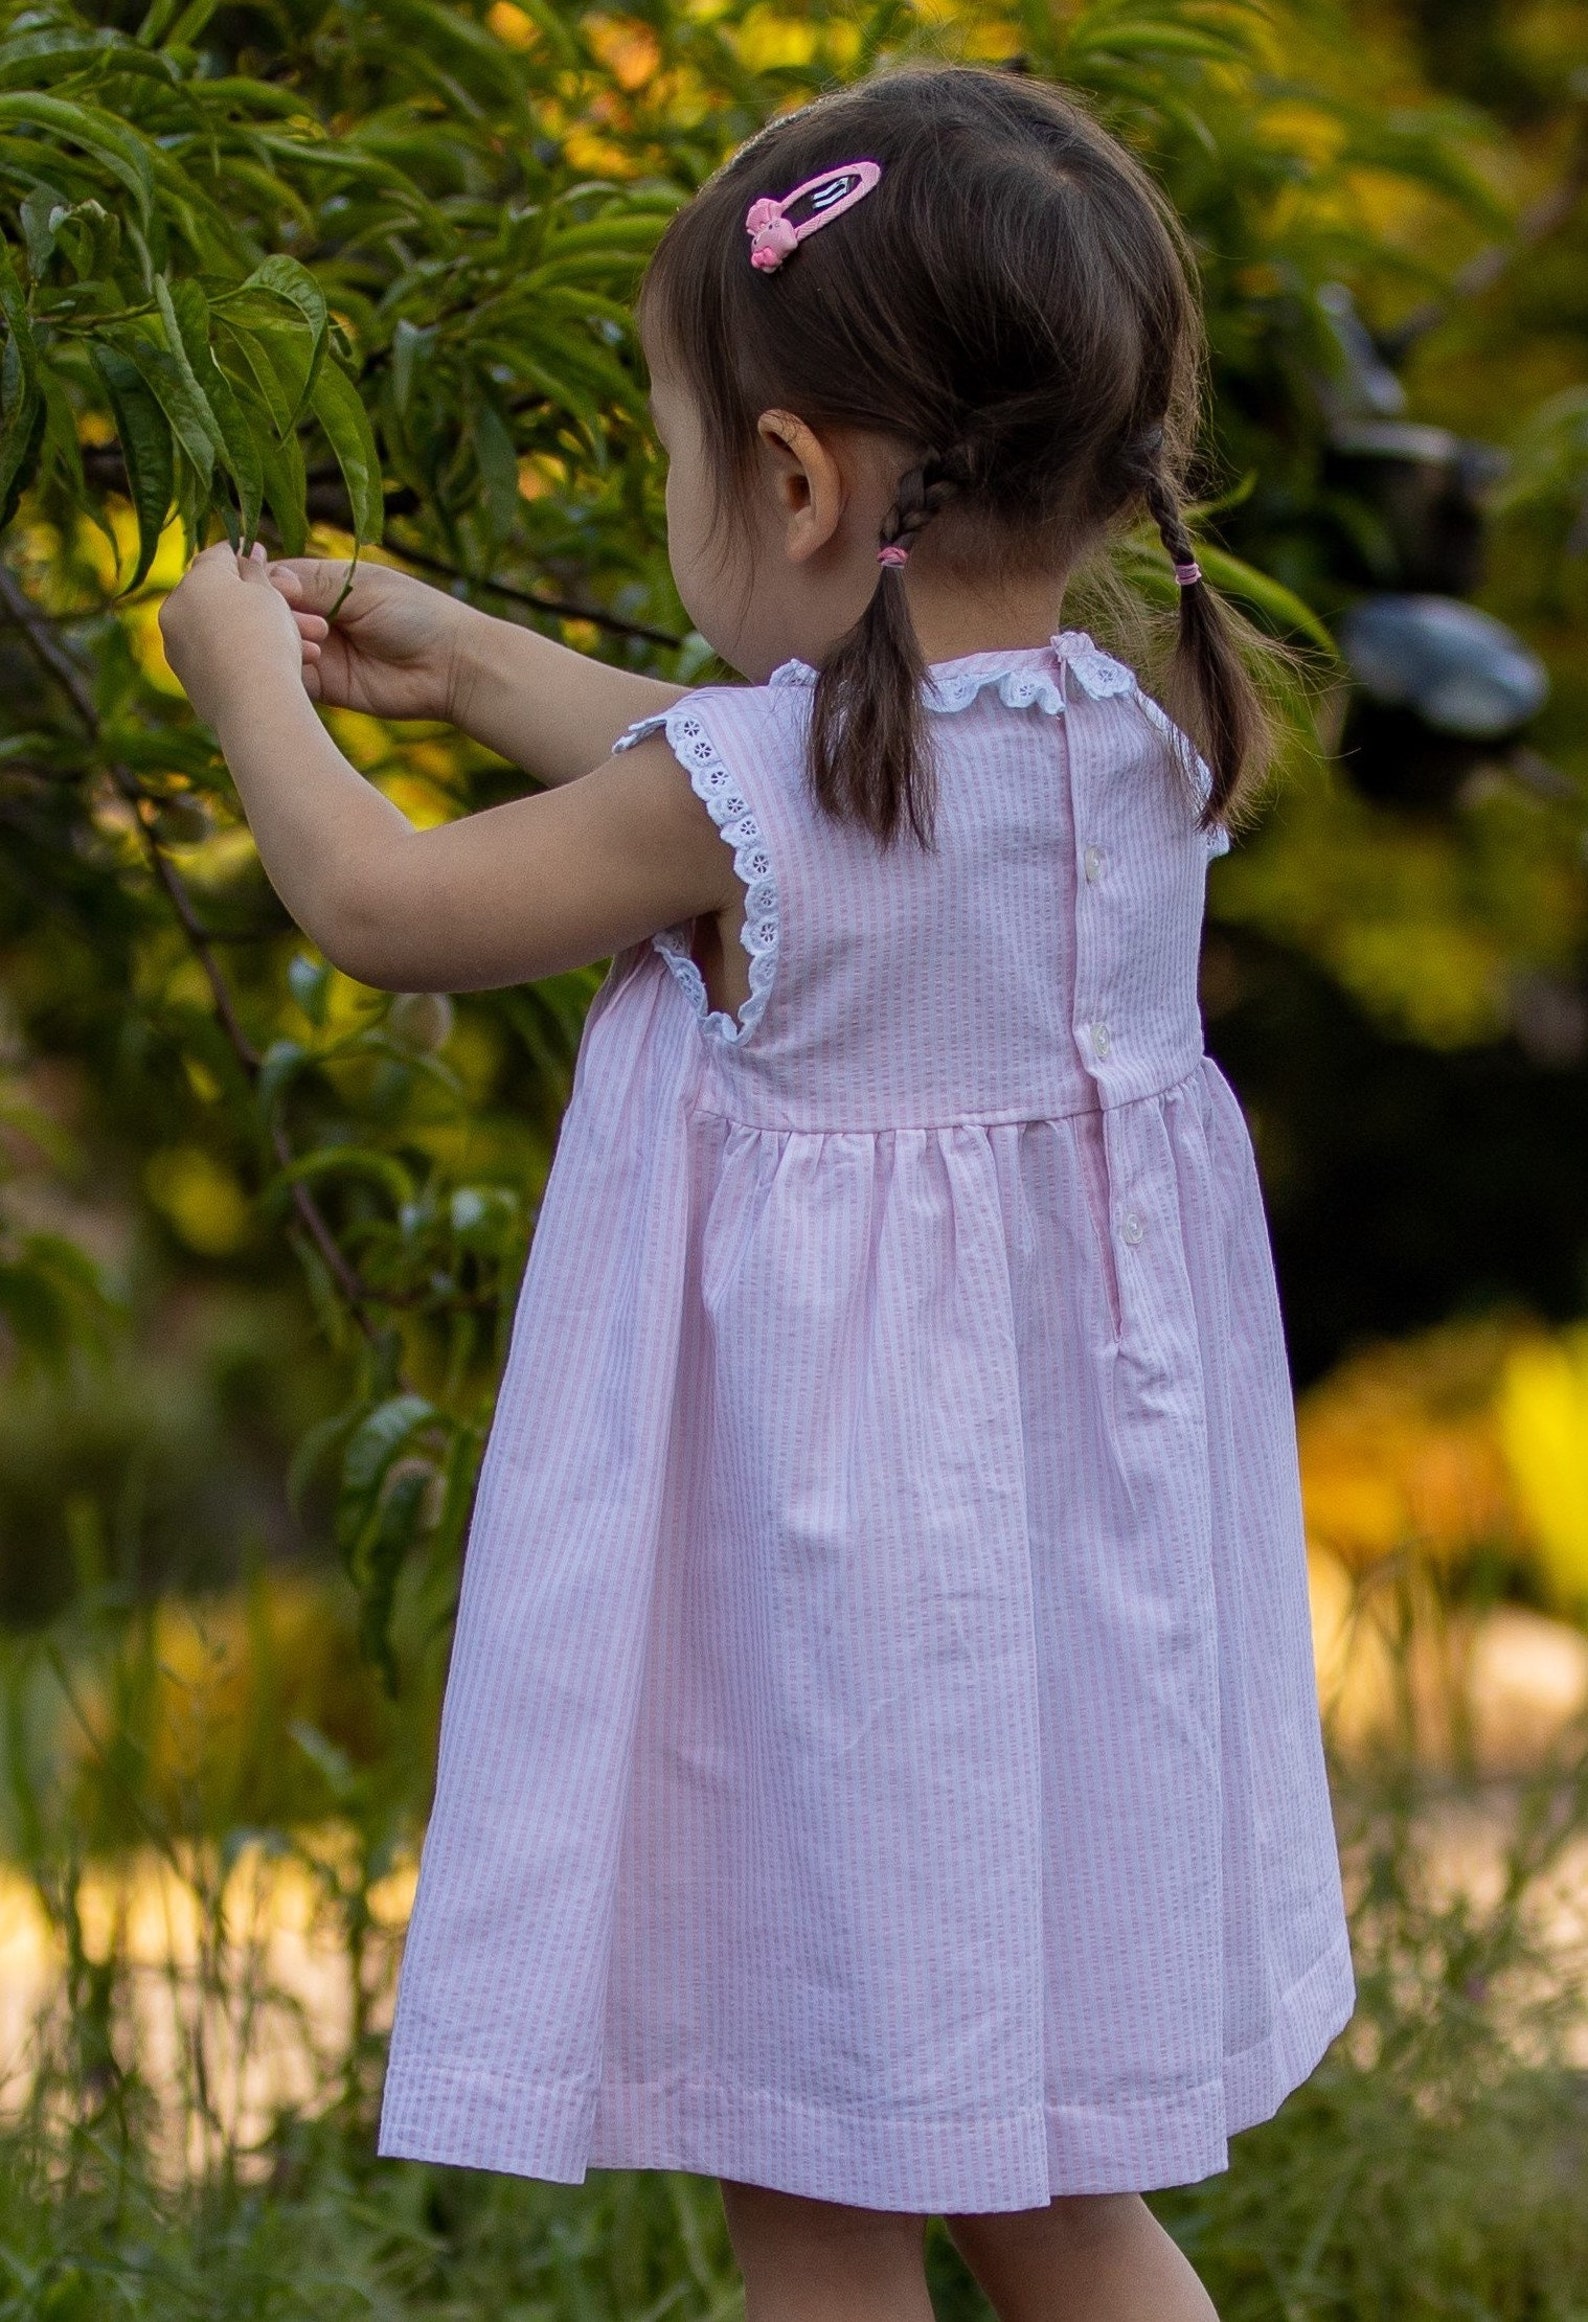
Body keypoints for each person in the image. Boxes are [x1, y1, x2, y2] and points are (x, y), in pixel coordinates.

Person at [160, 64, 1353, 2322]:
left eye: (686, 450)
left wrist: (251, 686)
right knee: (1051, 2204)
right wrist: (466, 653)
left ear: (796, 479)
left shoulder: (763, 804)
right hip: (1056, 1643)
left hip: (833, 1651)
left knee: (813, 2202)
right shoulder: (1134, 742)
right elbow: (774, 782)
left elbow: (392, 904)